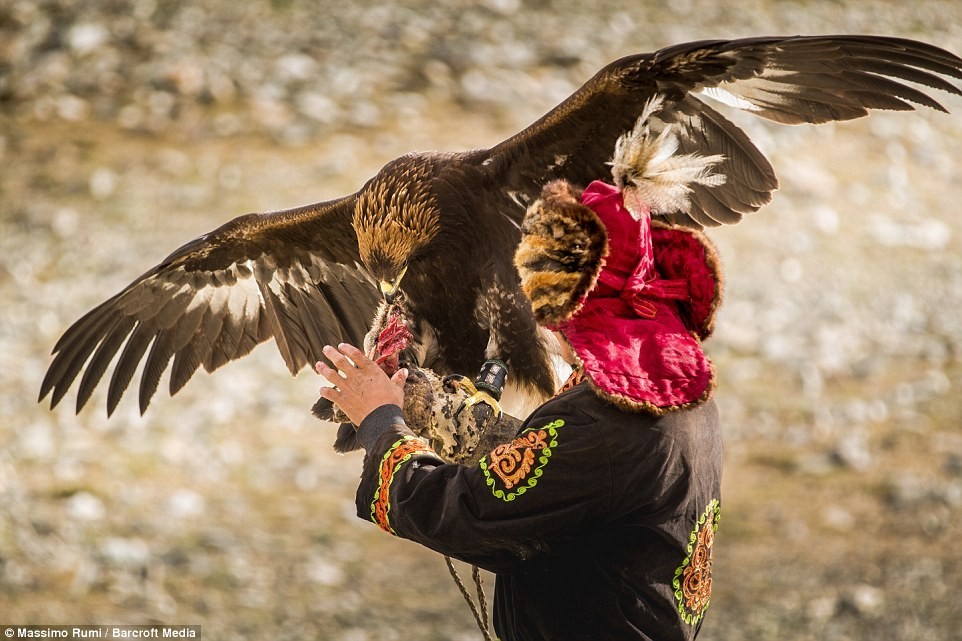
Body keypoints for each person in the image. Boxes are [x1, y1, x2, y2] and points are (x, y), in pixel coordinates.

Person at [316, 170, 724, 640]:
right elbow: (561, 493)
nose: (535, 312)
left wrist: (379, 421)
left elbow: (469, 513)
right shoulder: (677, 392)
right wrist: (430, 409)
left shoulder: (603, 423)